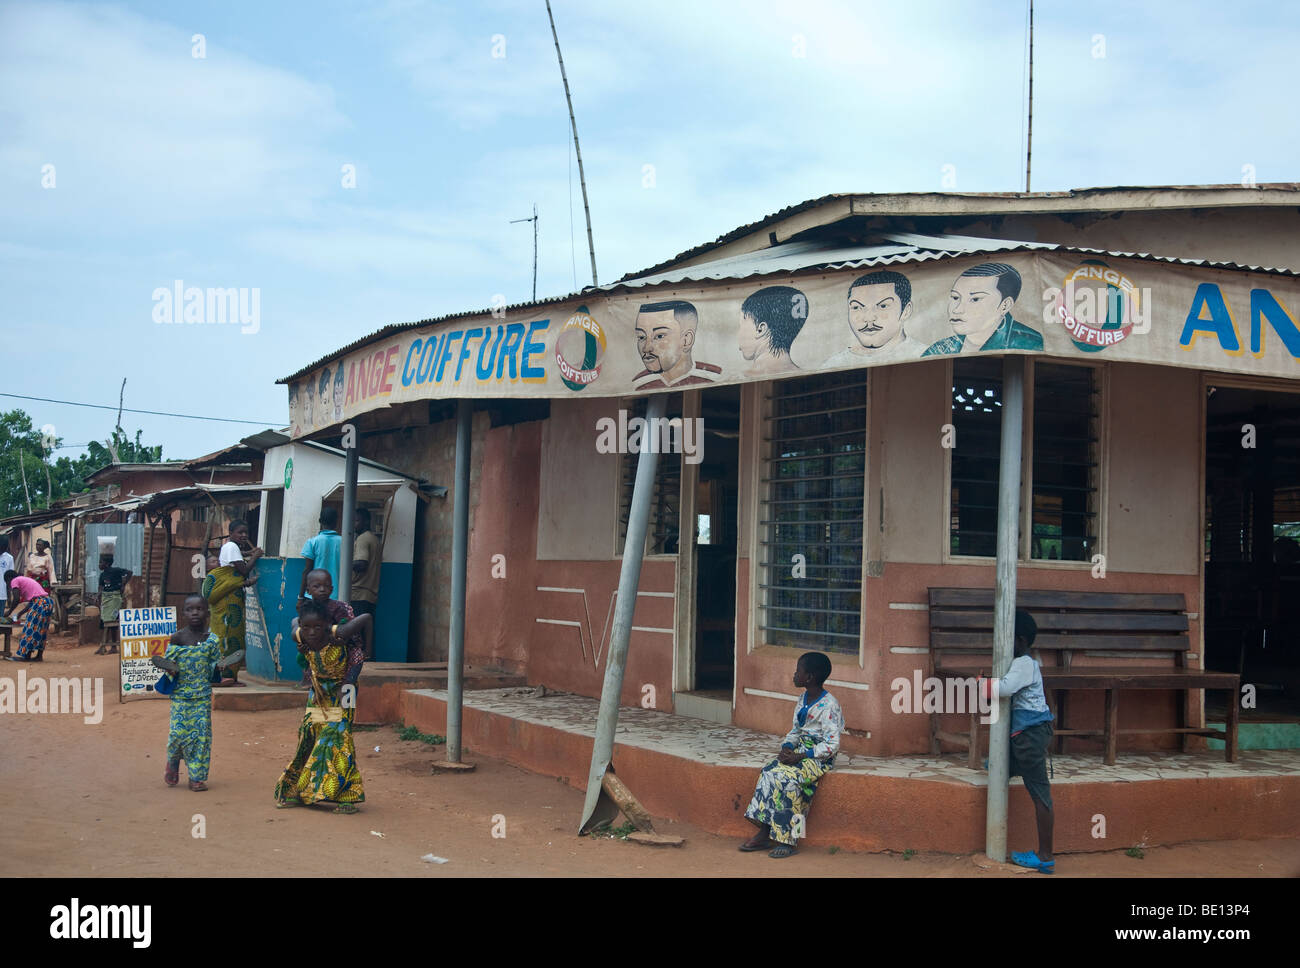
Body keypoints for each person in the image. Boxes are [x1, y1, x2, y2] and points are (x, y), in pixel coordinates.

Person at [739, 652, 844, 858]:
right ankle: (764, 831)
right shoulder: (803, 698)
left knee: (790, 781)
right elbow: (796, 730)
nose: (794, 675)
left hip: (818, 758)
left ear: (810, 677)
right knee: (769, 772)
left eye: (798, 671)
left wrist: (801, 756)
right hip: (800, 752)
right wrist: (787, 747)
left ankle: (790, 840)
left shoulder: (830, 706)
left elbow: (832, 745)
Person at [274, 599, 371, 813]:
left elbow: (367, 618)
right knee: (309, 737)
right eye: (306, 627)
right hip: (318, 693)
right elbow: (293, 622)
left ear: (327, 624)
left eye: (318, 627)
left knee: (338, 738)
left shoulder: (339, 633)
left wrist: (367, 650)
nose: (312, 632)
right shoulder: (298, 634)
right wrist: (300, 626)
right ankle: (298, 791)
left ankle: (347, 796)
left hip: (346, 690)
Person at [979, 609, 1055, 873]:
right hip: (1027, 737)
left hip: (1030, 737)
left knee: (1041, 795)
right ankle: (1008, 766)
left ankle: (1045, 856)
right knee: (1005, 764)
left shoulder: (1023, 664)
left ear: (1020, 640)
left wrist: (983, 684)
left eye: (1006, 637)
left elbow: (1006, 688)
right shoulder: (1024, 662)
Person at [156, 595, 222, 792]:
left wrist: (218, 668)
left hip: (201, 697)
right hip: (180, 697)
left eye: (199, 609)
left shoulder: (212, 640)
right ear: (183, 613)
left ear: (207, 613)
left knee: (201, 739)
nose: (195, 613)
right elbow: (168, 664)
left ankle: (197, 778)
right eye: (190, 609)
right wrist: (171, 670)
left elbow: (215, 667)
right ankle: (173, 762)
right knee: (177, 735)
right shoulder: (178, 638)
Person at [923, 263, 1044, 356]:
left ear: (1005, 305)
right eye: (955, 297)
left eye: (975, 299)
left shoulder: (1027, 342)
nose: (957, 309)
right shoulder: (940, 349)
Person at [824, 270, 927, 367]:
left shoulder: (925, 355)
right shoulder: (834, 364)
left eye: (883, 306)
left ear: (906, 311)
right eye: (856, 307)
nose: (869, 318)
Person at [204, 520, 263, 687]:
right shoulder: (231, 547)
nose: (244, 535)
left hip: (233, 598)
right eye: (240, 532)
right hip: (229, 601)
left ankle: (229, 676)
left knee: (232, 637)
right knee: (229, 637)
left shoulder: (233, 548)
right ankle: (223, 676)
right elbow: (243, 570)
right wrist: (255, 556)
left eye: (246, 532)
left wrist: (249, 552)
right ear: (231, 533)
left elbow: (238, 563)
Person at [633, 300, 720, 390]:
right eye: (641, 337)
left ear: (687, 340)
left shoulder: (715, 379)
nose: (646, 348)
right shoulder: (638, 383)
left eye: (659, 336)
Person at [737, 286, 807, 375]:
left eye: (741, 326)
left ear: (760, 329)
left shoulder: (735, 381)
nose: (738, 335)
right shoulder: (813, 379)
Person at [350, 508, 382, 660]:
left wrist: (345, 564)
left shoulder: (363, 539)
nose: (354, 524)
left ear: (367, 521)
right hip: (369, 593)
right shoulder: (374, 538)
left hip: (359, 593)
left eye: (357, 521)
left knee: (357, 636)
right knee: (367, 635)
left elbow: (361, 563)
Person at [5, 570, 54, 662]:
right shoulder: (25, 579)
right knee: (42, 630)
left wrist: (9, 611)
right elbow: (33, 600)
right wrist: (20, 613)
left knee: (30, 629)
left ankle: (25, 656)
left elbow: (16, 599)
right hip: (47, 602)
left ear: (8, 579)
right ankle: (39, 656)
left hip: (39, 603)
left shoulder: (14, 580)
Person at [299, 506, 342, 601]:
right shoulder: (344, 542)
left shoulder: (312, 542)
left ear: (320, 521)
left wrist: (300, 596)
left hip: (315, 594)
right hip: (337, 594)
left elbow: (307, 570)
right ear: (336, 522)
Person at [94, 553, 132, 655]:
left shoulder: (115, 571)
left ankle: (113, 647)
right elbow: (101, 587)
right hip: (106, 599)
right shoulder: (102, 575)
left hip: (114, 598)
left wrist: (123, 584)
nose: (99, 565)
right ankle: (103, 646)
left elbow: (129, 572)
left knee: (112, 621)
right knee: (104, 621)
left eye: (100, 562)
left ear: (106, 564)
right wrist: (98, 595)